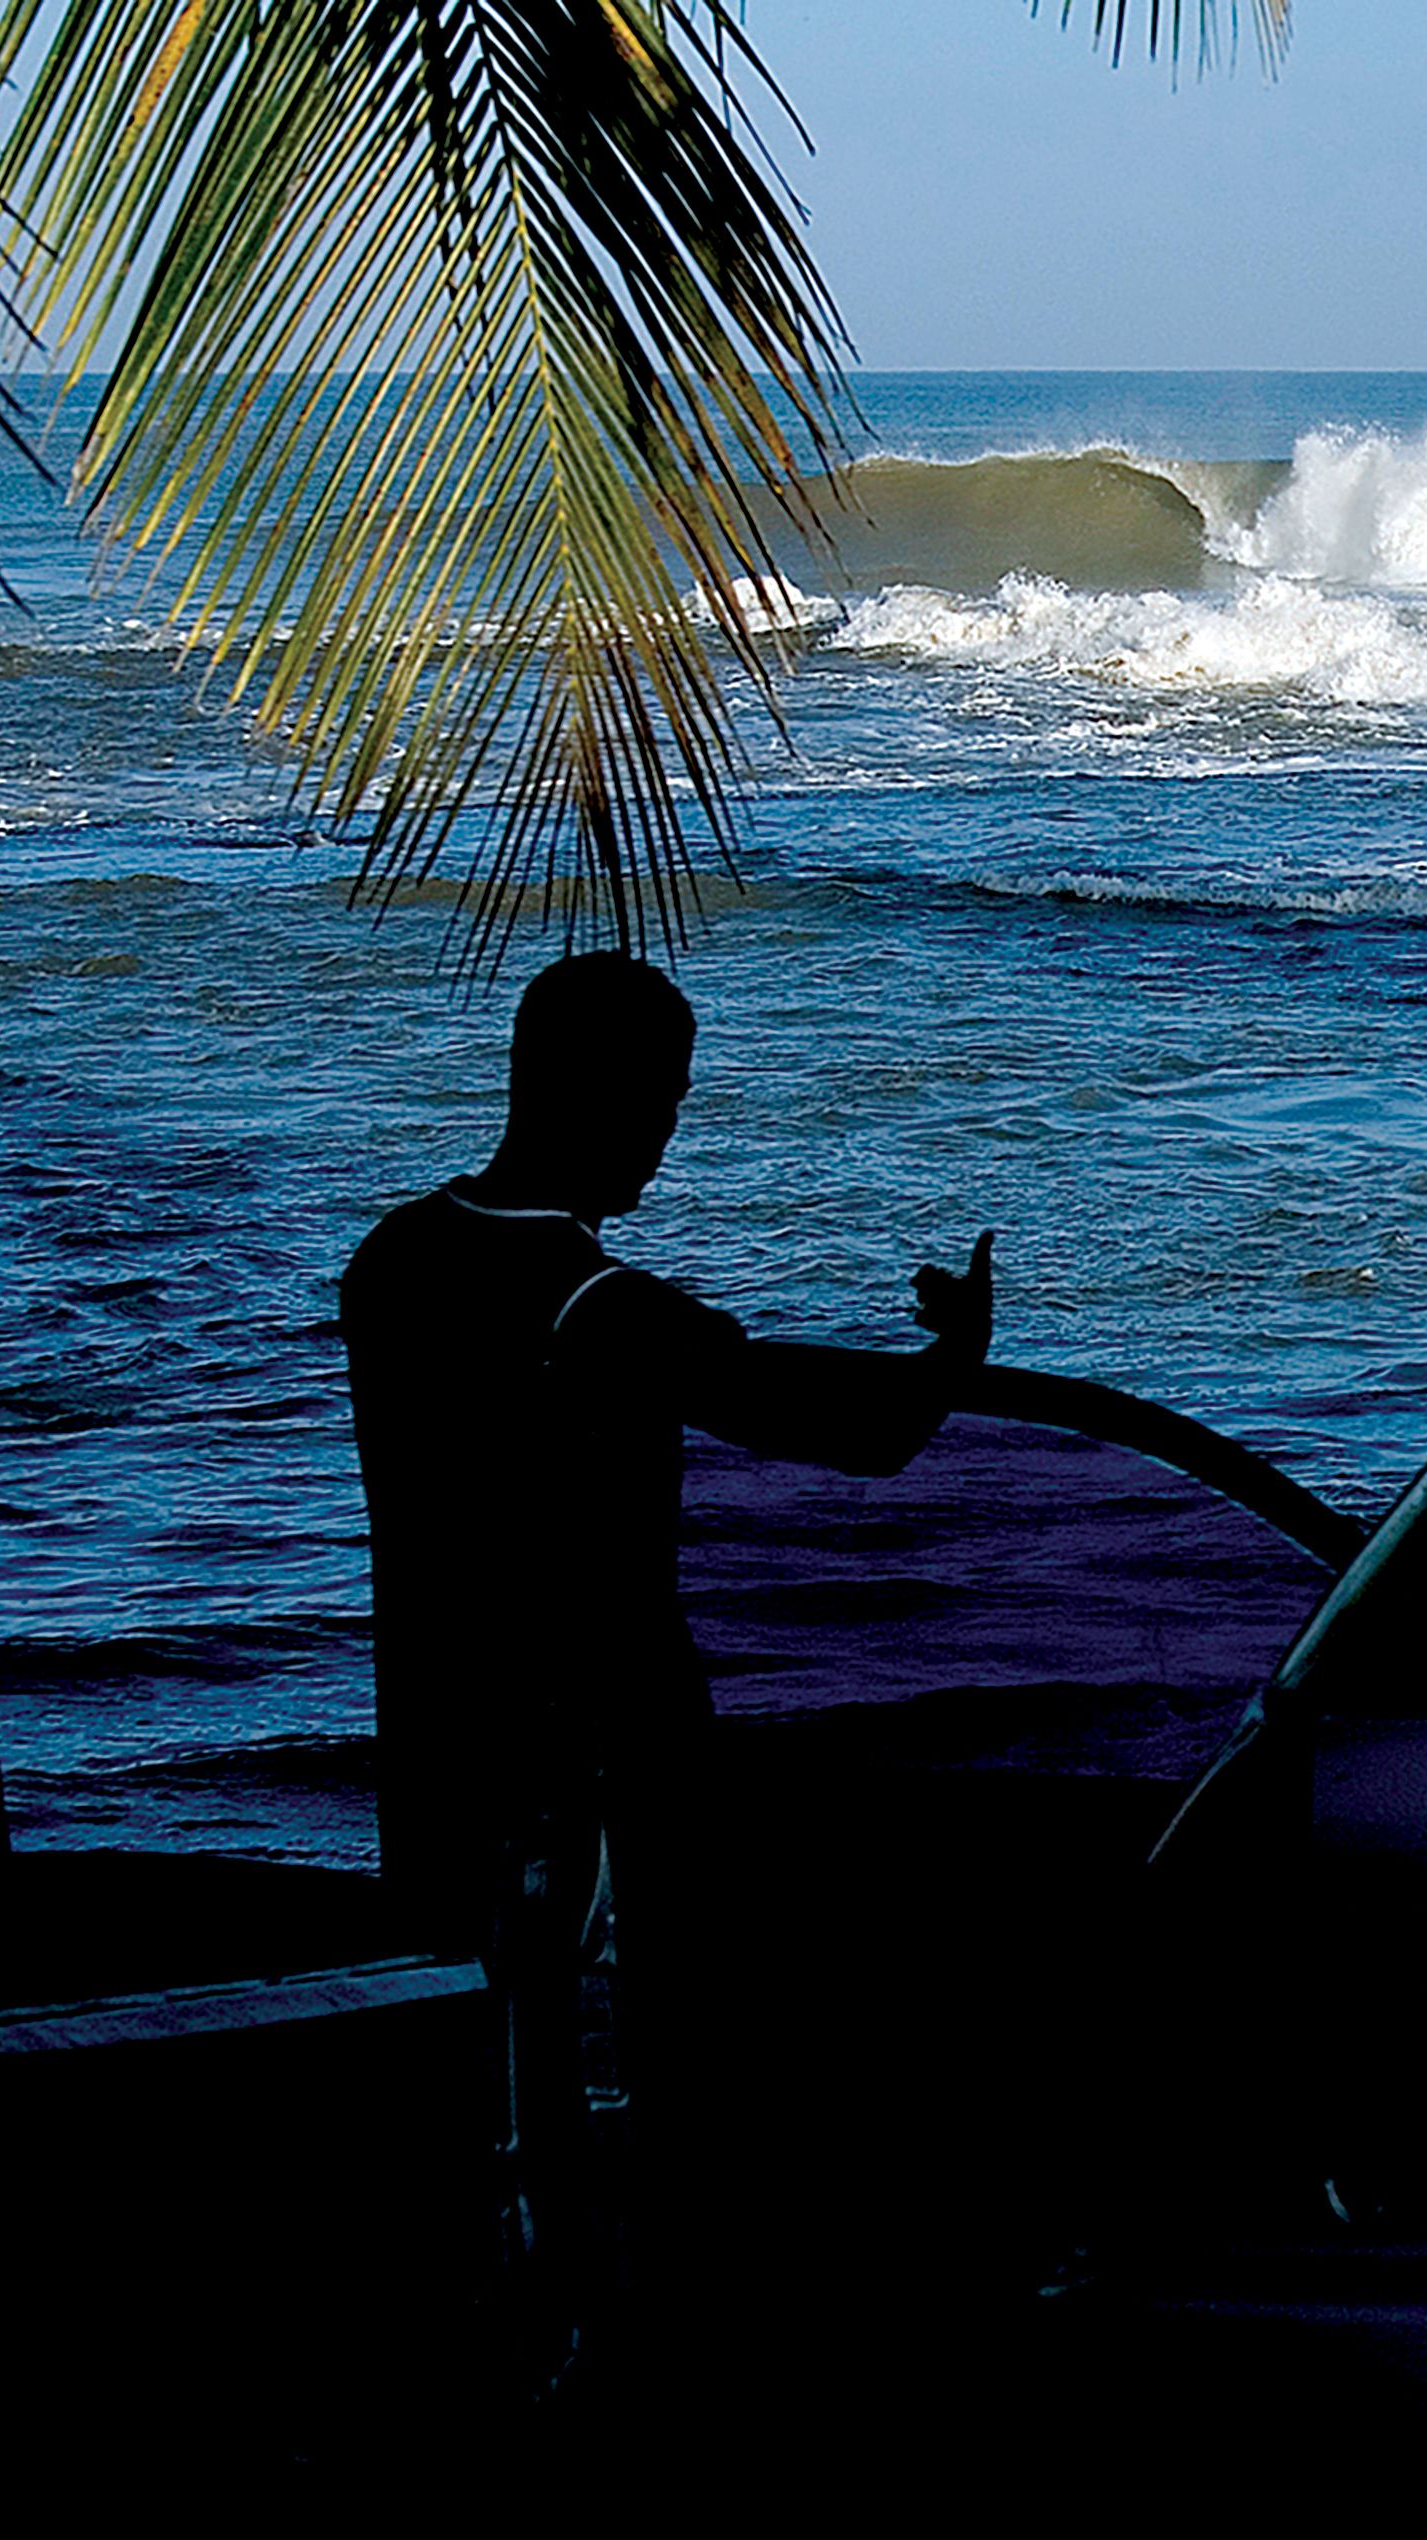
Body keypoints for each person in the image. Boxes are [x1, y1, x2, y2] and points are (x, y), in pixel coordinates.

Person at [340, 949, 995, 2389]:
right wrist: (956, 1357)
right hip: (592, 1761)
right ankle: (606, 2369)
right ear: (610, 1098)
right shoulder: (602, 1311)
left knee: (468, 2070)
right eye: (666, 1097)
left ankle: (486, 2344)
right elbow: (854, 1436)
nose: (671, 1130)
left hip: (435, 1733)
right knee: (622, 2092)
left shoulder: (389, 1262)